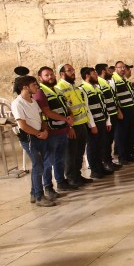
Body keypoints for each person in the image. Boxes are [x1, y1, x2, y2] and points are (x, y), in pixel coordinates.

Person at [11, 76, 55, 207]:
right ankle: (39, 197)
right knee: (38, 166)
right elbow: (23, 125)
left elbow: (41, 117)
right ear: (25, 87)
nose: (37, 87)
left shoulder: (33, 101)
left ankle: (33, 193)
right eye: (34, 85)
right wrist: (38, 133)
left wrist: (44, 129)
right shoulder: (17, 103)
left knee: (41, 164)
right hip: (30, 138)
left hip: (40, 135)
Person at [35, 66, 76, 196]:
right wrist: (65, 119)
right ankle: (48, 187)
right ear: (40, 78)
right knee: (48, 161)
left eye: (51, 74)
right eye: (47, 75)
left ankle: (61, 182)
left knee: (60, 159)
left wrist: (69, 120)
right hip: (51, 132)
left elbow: (66, 106)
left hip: (62, 130)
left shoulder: (57, 89)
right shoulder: (40, 92)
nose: (50, 77)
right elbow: (46, 111)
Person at [57, 64, 97, 186]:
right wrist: (69, 126)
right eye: (69, 70)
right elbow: (65, 108)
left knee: (79, 152)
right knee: (71, 154)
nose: (73, 72)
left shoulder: (74, 86)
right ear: (62, 74)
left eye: (73, 70)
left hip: (82, 123)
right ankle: (71, 177)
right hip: (72, 125)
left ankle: (77, 175)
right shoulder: (60, 88)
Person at [80, 66, 114, 179]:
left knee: (101, 145)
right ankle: (94, 170)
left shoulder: (97, 87)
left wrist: (107, 120)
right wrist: (92, 125)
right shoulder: (82, 89)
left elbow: (104, 105)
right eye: (94, 74)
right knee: (93, 147)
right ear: (87, 76)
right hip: (93, 123)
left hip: (102, 120)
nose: (96, 75)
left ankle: (101, 167)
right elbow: (87, 108)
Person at [112, 61, 134, 164]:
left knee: (130, 133)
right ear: (116, 68)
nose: (123, 69)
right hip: (123, 110)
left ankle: (129, 154)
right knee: (122, 134)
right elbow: (113, 97)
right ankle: (122, 157)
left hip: (130, 108)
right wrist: (118, 110)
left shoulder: (124, 79)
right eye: (121, 67)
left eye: (124, 67)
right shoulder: (113, 80)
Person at [96, 63, 122, 171]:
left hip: (112, 114)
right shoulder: (99, 83)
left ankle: (109, 160)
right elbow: (103, 102)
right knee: (106, 141)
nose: (110, 72)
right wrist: (108, 119)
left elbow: (112, 99)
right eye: (108, 70)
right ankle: (105, 162)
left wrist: (117, 110)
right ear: (103, 71)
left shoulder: (105, 82)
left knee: (109, 140)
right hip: (108, 116)